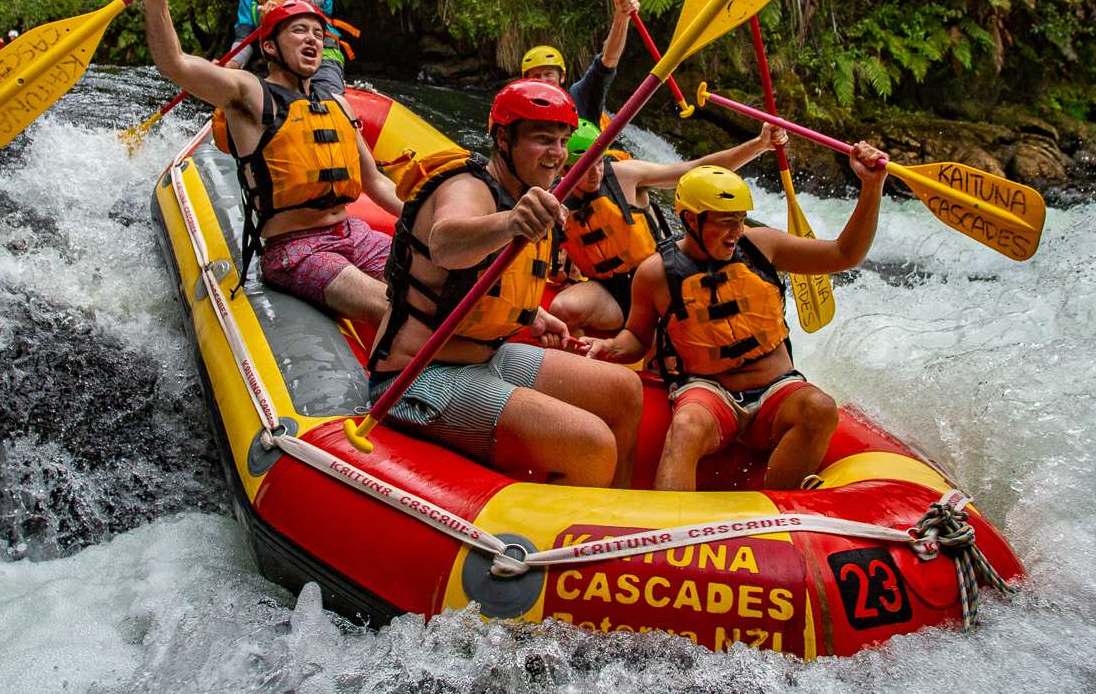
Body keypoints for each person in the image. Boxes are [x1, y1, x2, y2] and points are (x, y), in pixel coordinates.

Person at [366, 80, 643, 487]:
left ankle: (619, 519)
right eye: (543, 139)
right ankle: (571, 543)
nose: (557, 154)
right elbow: (446, 243)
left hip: (486, 356)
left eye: (563, 141)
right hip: (416, 378)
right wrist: (511, 222)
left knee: (626, 389)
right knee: (592, 442)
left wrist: (535, 314)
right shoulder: (468, 187)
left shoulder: (522, 191)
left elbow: (485, 284)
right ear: (502, 137)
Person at [587, 153, 887, 492]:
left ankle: (776, 509)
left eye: (741, 220)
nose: (736, 232)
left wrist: (871, 187)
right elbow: (636, 338)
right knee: (686, 425)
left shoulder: (762, 247)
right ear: (690, 220)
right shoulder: (655, 274)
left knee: (819, 408)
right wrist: (607, 347)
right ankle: (670, 528)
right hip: (707, 390)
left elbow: (844, 254)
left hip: (776, 389)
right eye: (725, 222)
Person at [134, 0, 403, 322]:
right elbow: (176, 64)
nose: (312, 39)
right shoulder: (249, 94)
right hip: (297, 250)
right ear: (271, 47)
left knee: (435, 289)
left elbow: (376, 183)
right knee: (398, 310)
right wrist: (157, 2)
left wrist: (425, 224)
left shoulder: (336, 103)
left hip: (352, 234)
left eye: (317, 34)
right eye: (299, 31)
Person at [551, 119, 791, 338]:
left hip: (662, 281)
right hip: (611, 291)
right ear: (564, 170)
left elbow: (696, 170)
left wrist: (758, 145)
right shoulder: (557, 200)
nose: (596, 173)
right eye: (584, 168)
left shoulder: (625, 175)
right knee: (563, 309)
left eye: (598, 162)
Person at [521, 0, 639, 125]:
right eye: (536, 76)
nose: (543, 81)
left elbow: (608, 61)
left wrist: (621, 18)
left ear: (562, 77)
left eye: (548, 74)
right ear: (526, 82)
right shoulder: (521, 113)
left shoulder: (578, 96)